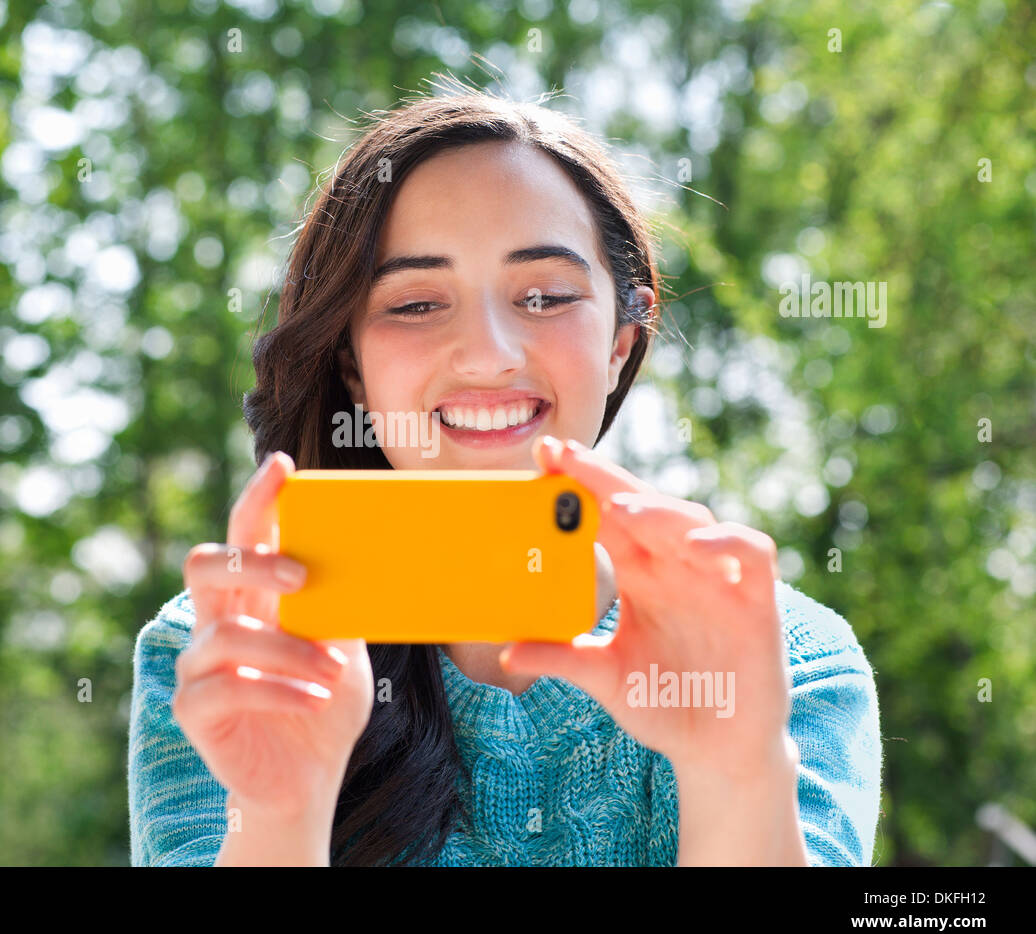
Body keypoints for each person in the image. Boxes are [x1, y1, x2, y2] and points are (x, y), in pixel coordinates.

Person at [128, 89, 883, 866]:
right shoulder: (227, 650)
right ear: (352, 369)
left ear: (623, 341)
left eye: (546, 297)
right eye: (417, 302)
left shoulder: (782, 656)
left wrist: (735, 772)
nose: (488, 354)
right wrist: (280, 815)